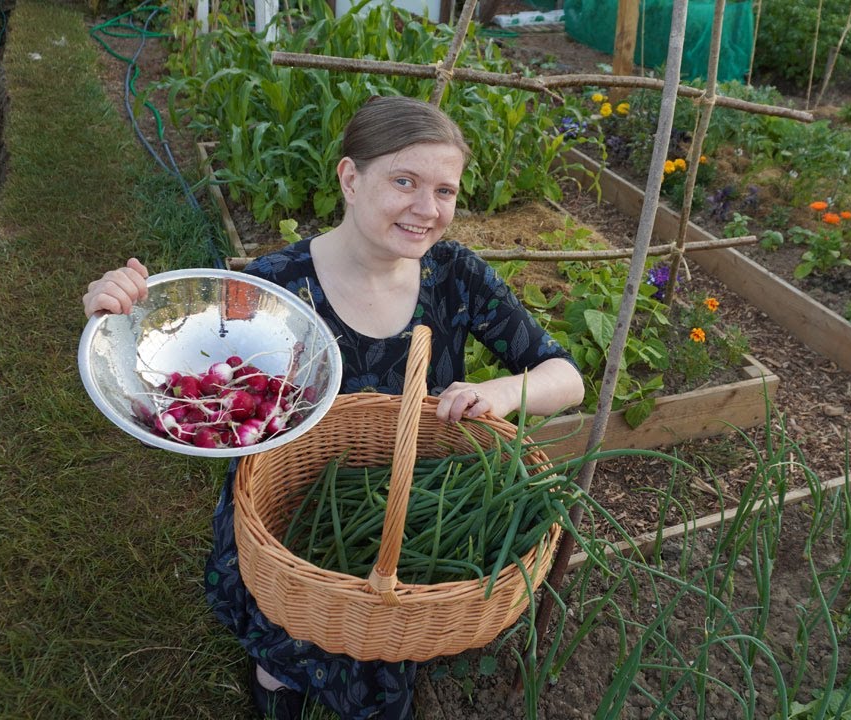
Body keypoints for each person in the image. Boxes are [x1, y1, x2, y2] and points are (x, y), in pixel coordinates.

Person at [82, 95, 585, 720]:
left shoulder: (455, 275)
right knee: (286, 637)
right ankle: (277, 670)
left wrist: (507, 393)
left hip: (409, 516)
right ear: (350, 179)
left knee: (380, 650)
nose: (427, 210)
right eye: (404, 181)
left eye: (445, 191)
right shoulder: (276, 286)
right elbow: (187, 377)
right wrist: (124, 313)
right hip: (290, 515)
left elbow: (567, 377)